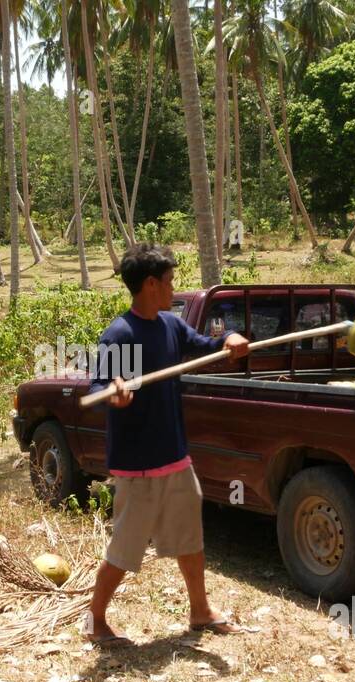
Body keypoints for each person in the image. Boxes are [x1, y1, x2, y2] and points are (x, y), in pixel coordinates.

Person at [84, 243, 250, 647]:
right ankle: (94, 620)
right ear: (150, 284)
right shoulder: (121, 334)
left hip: (174, 456)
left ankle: (200, 610)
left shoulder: (169, 325)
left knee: (190, 536)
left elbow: (203, 344)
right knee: (125, 546)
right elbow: (97, 387)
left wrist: (229, 340)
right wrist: (115, 393)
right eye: (170, 280)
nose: (174, 286)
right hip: (139, 464)